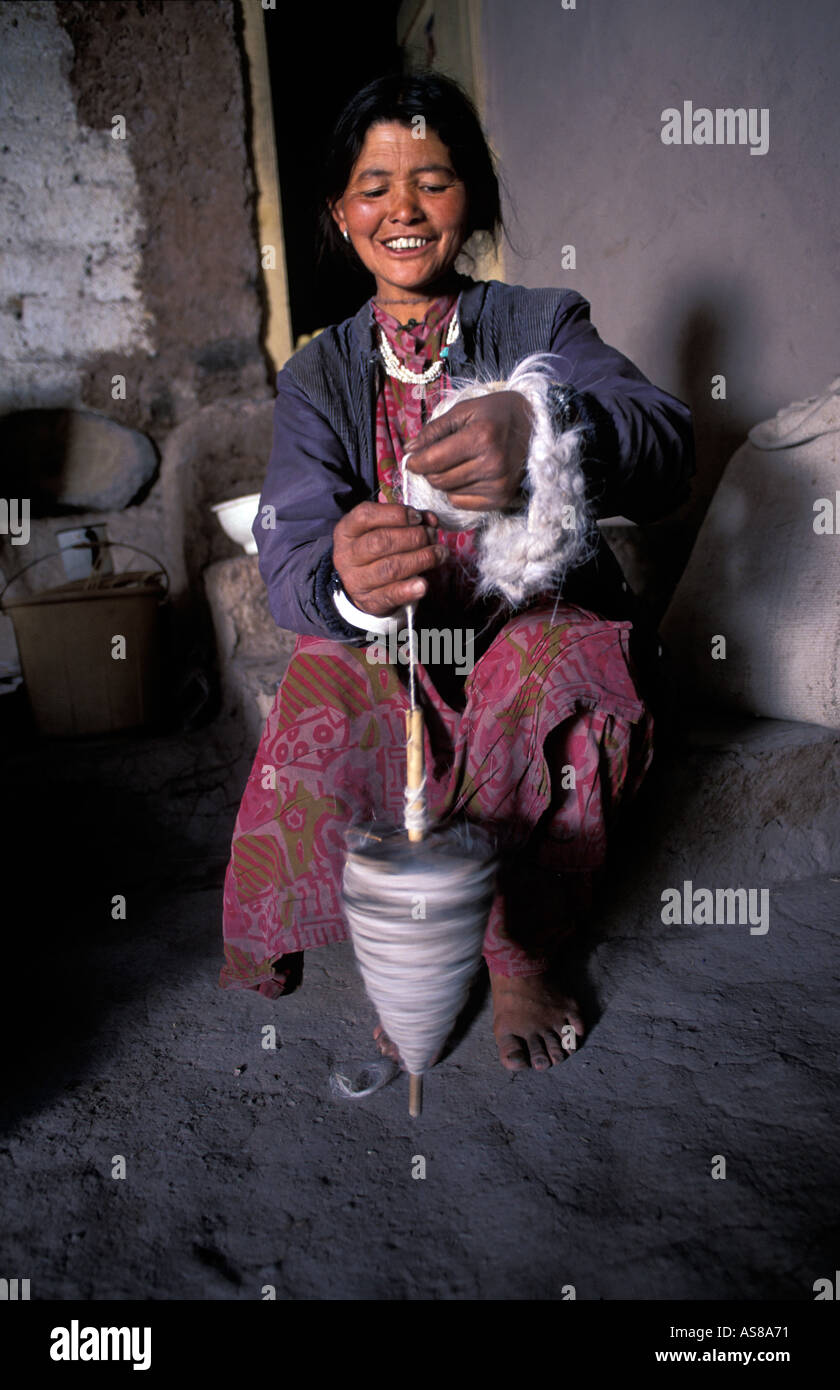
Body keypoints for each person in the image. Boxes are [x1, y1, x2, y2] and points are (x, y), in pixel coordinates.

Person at [220, 72, 694, 1073]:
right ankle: (410, 944)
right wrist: (344, 572)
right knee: (322, 673)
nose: (403, 207)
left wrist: (548, 424)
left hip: (533, 621)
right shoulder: (318, 376)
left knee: (546, 663)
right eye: (374, 185)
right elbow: (290, 540)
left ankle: (518, 952)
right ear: (340, 213)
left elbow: (667, 445)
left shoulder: (543, 321)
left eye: (432, 180)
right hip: (407, 639)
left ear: (470, 197)